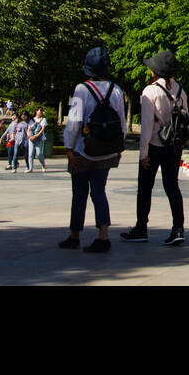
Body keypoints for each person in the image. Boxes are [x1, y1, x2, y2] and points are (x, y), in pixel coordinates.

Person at [59, 46, 126, 253]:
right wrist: (118, 147)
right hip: (106, 150)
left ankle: (75, 235)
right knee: (99, 191)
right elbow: (121, 122)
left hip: (83, 149)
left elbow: (74, 122)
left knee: (79, 192)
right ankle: (103, 235)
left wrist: (69, 148)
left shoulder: (82, 89)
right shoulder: (116, 89)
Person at [122, 51, 186, 245]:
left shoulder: (150, 92)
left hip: (155, 144)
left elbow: (147, 125)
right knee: (172, 186)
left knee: (145, 188)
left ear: (155, 72)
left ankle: (141, 227)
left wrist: (143, 153)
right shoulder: (181, 91)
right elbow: (184, 120)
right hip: (174, 145)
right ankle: (178, 228)